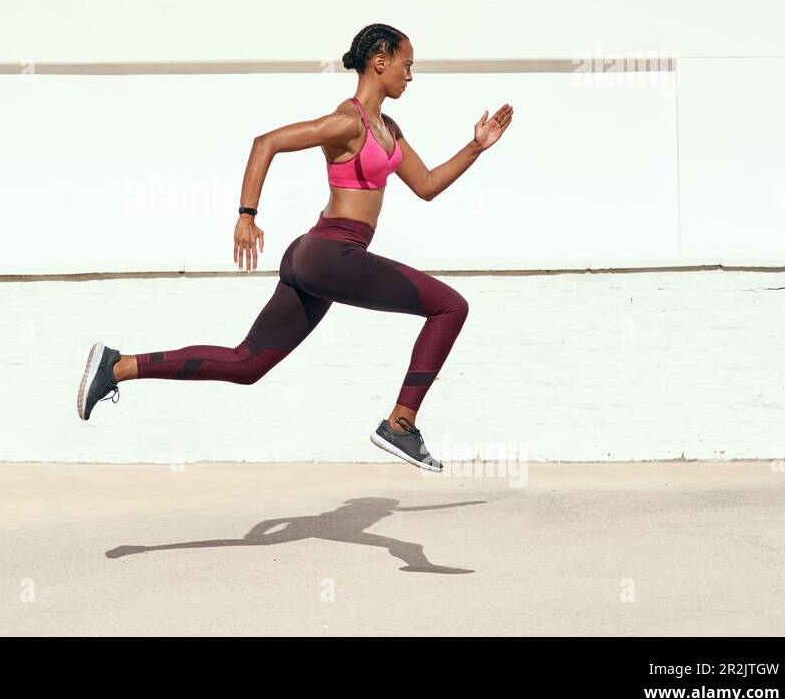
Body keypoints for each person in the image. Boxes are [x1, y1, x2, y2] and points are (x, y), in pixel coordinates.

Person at [76, 23, 513, 471]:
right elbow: (266, 143)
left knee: (247, 365)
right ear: (380, 62)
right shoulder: (348, 123)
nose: (410, 75)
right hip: (331, 255)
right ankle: (400, 425)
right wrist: (247, 215)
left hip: (316, 258)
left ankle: (118, 366)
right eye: (407, 64)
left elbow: (427, 185)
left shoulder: (390, 129)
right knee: (450, 307)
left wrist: (475, 147)